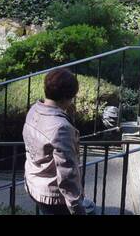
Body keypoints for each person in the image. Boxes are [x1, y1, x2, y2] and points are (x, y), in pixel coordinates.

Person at [23, 68, 94, 215]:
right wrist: (77, 208)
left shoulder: (34, 110)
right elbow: (67, 174)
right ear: (66, 97)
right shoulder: (61, 128)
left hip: (35, 183)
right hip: (54, 195)